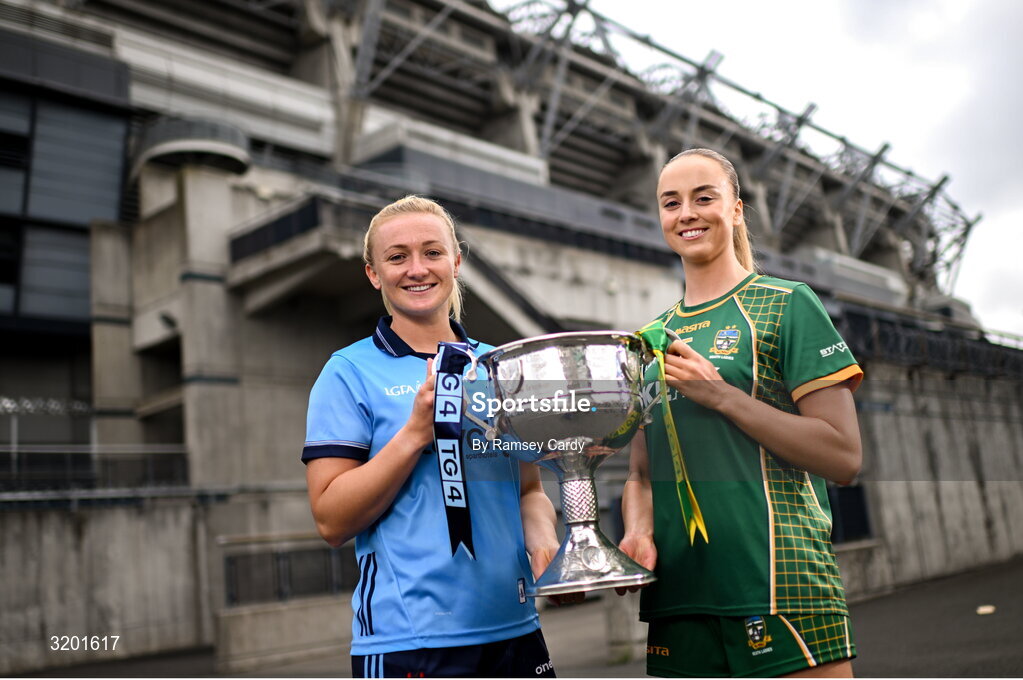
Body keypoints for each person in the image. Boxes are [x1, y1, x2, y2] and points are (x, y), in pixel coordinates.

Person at [619, 149, 864, 678]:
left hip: (781, 585)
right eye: (671, 202)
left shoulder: (787, 304)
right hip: (680, 598)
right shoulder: (648, 342)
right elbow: (640, 474)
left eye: (703, 197)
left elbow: (843, 456)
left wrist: (725, 396)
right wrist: (637, 532)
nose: (686, 213)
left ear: (735, 210)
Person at [303, 195, 563, 678]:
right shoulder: (348, 372)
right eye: (397, 257)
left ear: (456, 261)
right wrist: (415, 433)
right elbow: (331, 521)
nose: (416, 269)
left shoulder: (502, 367)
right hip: (410, 639)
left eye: (432, 252)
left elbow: (528, 491)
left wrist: (545, 540)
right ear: (373, 274)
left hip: (516, 628)